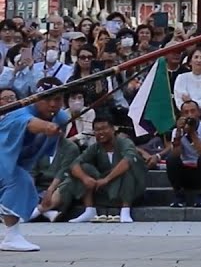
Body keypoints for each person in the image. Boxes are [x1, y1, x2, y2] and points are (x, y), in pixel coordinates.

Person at [0, 78, 68, 251]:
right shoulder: (19, 111)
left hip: (16, 162)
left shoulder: (60, 117)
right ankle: (11, 237)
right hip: (4, 159)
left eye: (58, 99)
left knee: (23, 182)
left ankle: (12, 235)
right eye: (47, 99)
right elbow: (29, 123)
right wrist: (47, 127)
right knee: (21, 182)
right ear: (36, 98)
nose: (53, 104)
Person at [60, 117, 147, 223]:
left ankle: (125, 210)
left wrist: (106, 179)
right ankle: (89, 210)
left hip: (129, 189)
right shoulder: (95, 147)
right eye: (97, 130)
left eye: (104, 128)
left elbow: (128, 161)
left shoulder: (124, 142)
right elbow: (74, 164)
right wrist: (85, 178)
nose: (100, 132)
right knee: (84, 168)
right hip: (106, 189)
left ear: (113, 129)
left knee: (128, 166)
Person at [164, 100, 201, 208]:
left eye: (193, 111)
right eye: (186, 112)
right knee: (171, 159)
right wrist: (179, 132)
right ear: (181, 115)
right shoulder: (177, 131)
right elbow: (176, 154)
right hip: (186, 171)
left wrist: (192, 133)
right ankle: (179, 196)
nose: (190, 115)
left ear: (199, 112)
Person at [29, 134, 81, 222]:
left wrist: (50, 190)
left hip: (59, 186)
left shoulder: (71, 148)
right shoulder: (38, 145)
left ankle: (38, 211)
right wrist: (31, 191)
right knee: (22, 180)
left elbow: (63, 171)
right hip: (40, 187)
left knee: (69, 183)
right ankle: (48, 213)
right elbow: (32, 171)